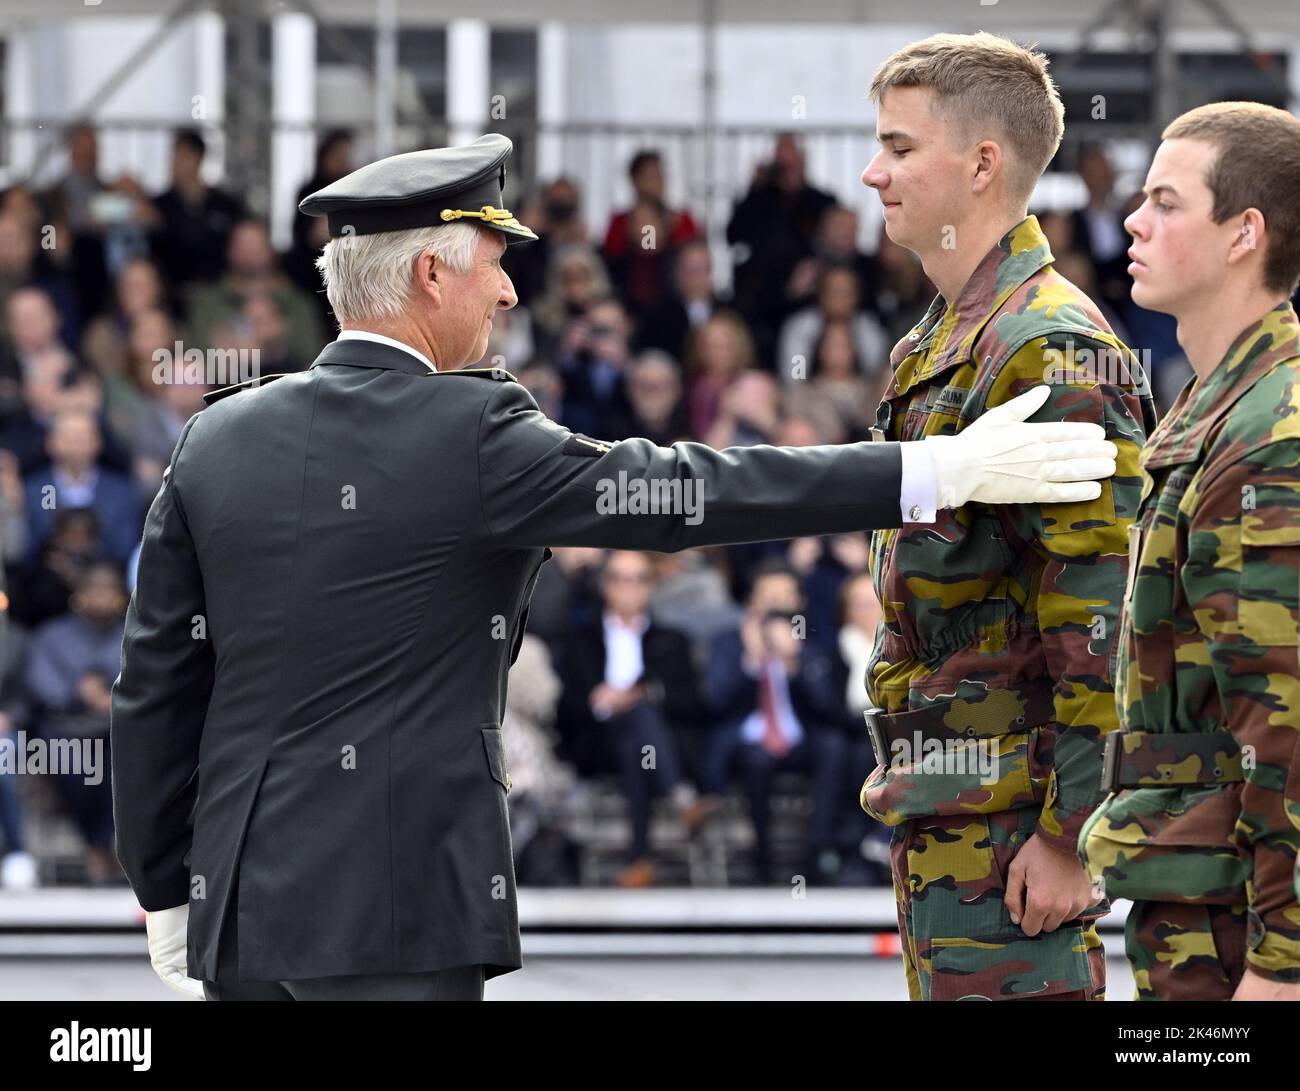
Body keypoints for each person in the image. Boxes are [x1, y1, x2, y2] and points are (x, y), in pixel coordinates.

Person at [110, 134, 1117, 1002]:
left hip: (238, 897)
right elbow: (689, 491)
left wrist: (162, 881)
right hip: (397, 899)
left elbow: (155, 684)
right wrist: (935, 468)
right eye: (494, 264)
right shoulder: (470, 428)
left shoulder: (218, 436)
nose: (509, 289)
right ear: (429, 276)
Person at [857, 32, 1156, 1002]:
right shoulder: (941, 342)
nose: (873, 173)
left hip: (1016, 833)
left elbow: (1103, 619)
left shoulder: (1050, 349)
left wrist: (1073, 834)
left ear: (982, 163)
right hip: (950, 811)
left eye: (900, 149)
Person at [1080, 101, 1300, 1002]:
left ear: (1244, 233)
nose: (1135, 220)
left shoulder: (1269, 438)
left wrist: (1284, 966)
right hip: (1197, 909)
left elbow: (1286, 725)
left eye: (1166, 203)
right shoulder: (1218, 408)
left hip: (1240, 934)